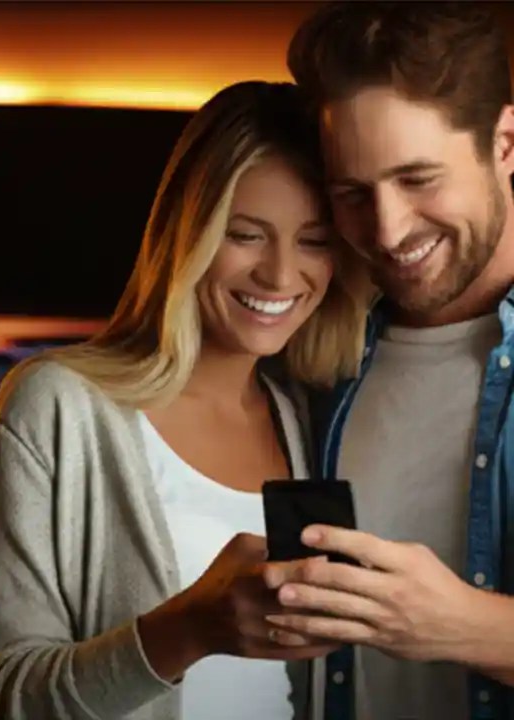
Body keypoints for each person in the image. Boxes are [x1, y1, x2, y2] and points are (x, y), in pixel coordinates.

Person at [0, 80, 371, 720]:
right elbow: (9, 702)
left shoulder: (311, 416)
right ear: (188, 232)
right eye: (246, 234)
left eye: (315, 241)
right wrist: (191, 629)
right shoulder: (59, 406)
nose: (280, 275)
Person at [259, 4, 514, 720]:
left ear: (505, 144)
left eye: (418, 179)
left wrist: (470, 626)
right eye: (352, 193)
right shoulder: (312, 361)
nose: (388, 229)